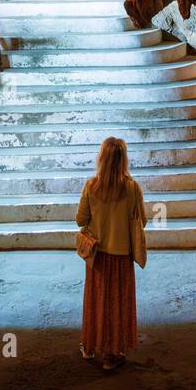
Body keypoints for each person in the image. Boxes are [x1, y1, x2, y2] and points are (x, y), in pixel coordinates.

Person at [76, 137, 146, 371]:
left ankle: (89, 346)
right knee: (117, 305)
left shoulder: (90, 185)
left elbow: (80, 219)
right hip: (121, 255)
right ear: (123, 160)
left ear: (101, 159)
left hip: (97, 255)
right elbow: (142, 221)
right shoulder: (132, 188)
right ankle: (112, 354)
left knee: (95, 302)